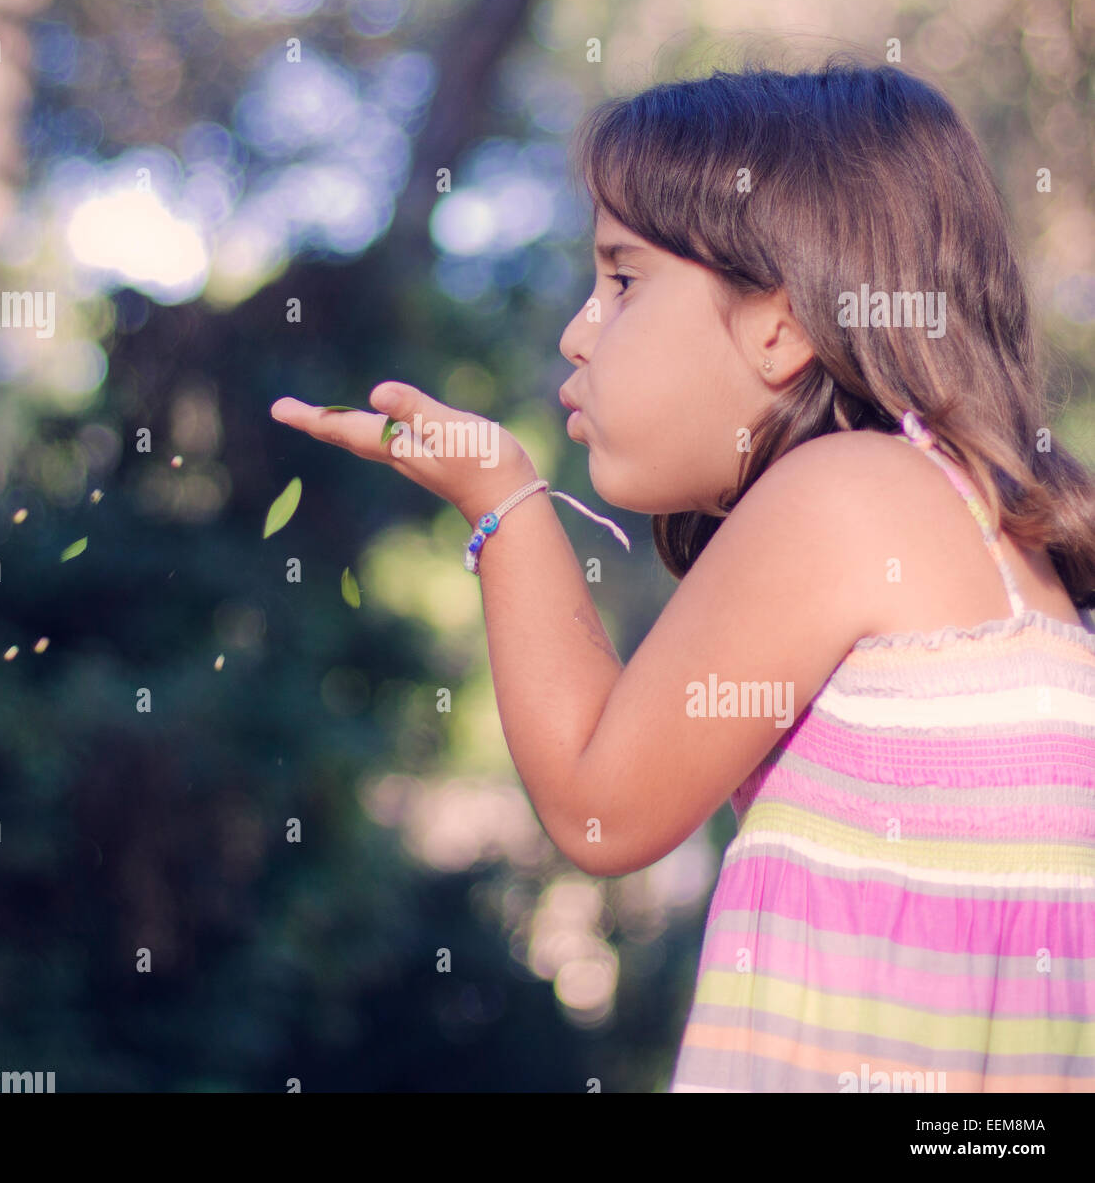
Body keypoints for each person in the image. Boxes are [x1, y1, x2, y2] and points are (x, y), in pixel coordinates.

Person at [270, 55, 1095, 1092]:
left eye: (622, 279)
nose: (579, 330)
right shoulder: (986, 539)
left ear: (779, 323)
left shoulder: (847, 493)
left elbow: (597, 809)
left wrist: (503, 505)